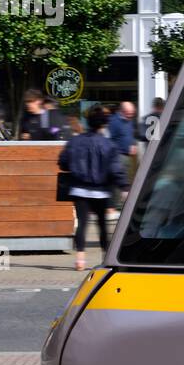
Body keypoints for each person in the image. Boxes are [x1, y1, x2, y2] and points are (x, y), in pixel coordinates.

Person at [58, 105, 127, 272]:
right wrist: (124, 186)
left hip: (79, 189)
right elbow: (115, 169)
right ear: (103, 125)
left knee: (82, 224)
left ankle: (80, 260)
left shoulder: (75, 141)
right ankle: (105, 258)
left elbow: (63, 162)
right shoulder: (108, 145)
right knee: (102, 225)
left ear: (88, 122)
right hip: (101, 191)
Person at [107, 100, 138, 190]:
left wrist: (133, 144)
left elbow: (130, 134)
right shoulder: (113, 121)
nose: (131, 115)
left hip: (128, 157)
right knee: (119, 185)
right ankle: (118, 204)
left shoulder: (129, 120)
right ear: (122, 111)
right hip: (118, 157)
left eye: (132, 113)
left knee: (128, 184)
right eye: (129, 113)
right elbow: (108, 140)